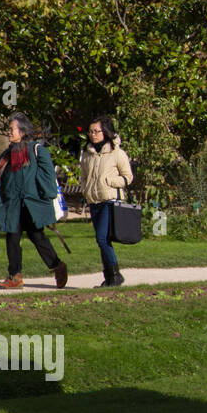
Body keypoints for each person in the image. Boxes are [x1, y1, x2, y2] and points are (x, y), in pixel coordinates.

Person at [0, 112, 67, 289]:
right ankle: (15, 277)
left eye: (11, 129)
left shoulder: (37, 151)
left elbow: (48, 176)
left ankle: (57, 266)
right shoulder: (7, 155)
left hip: (32, 204)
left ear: (22, 131)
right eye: (8, 129)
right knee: (12, 238)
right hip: (13, 204)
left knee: (37, 236)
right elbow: (1, 181)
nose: (8, 132)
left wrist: (46, 195)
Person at [79, 115, 134, 287]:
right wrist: (85, 189)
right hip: (93, 201)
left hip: (109, 201)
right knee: (103, 241)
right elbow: (84, 176)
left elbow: (128, 177)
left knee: (101, 239)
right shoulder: (87, 154)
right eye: (90, 131)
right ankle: (109, 278)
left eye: (97, 131)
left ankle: (116, 275)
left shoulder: (117, 153)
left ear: (106, 132)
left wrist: (110, 182)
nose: (93, 134)